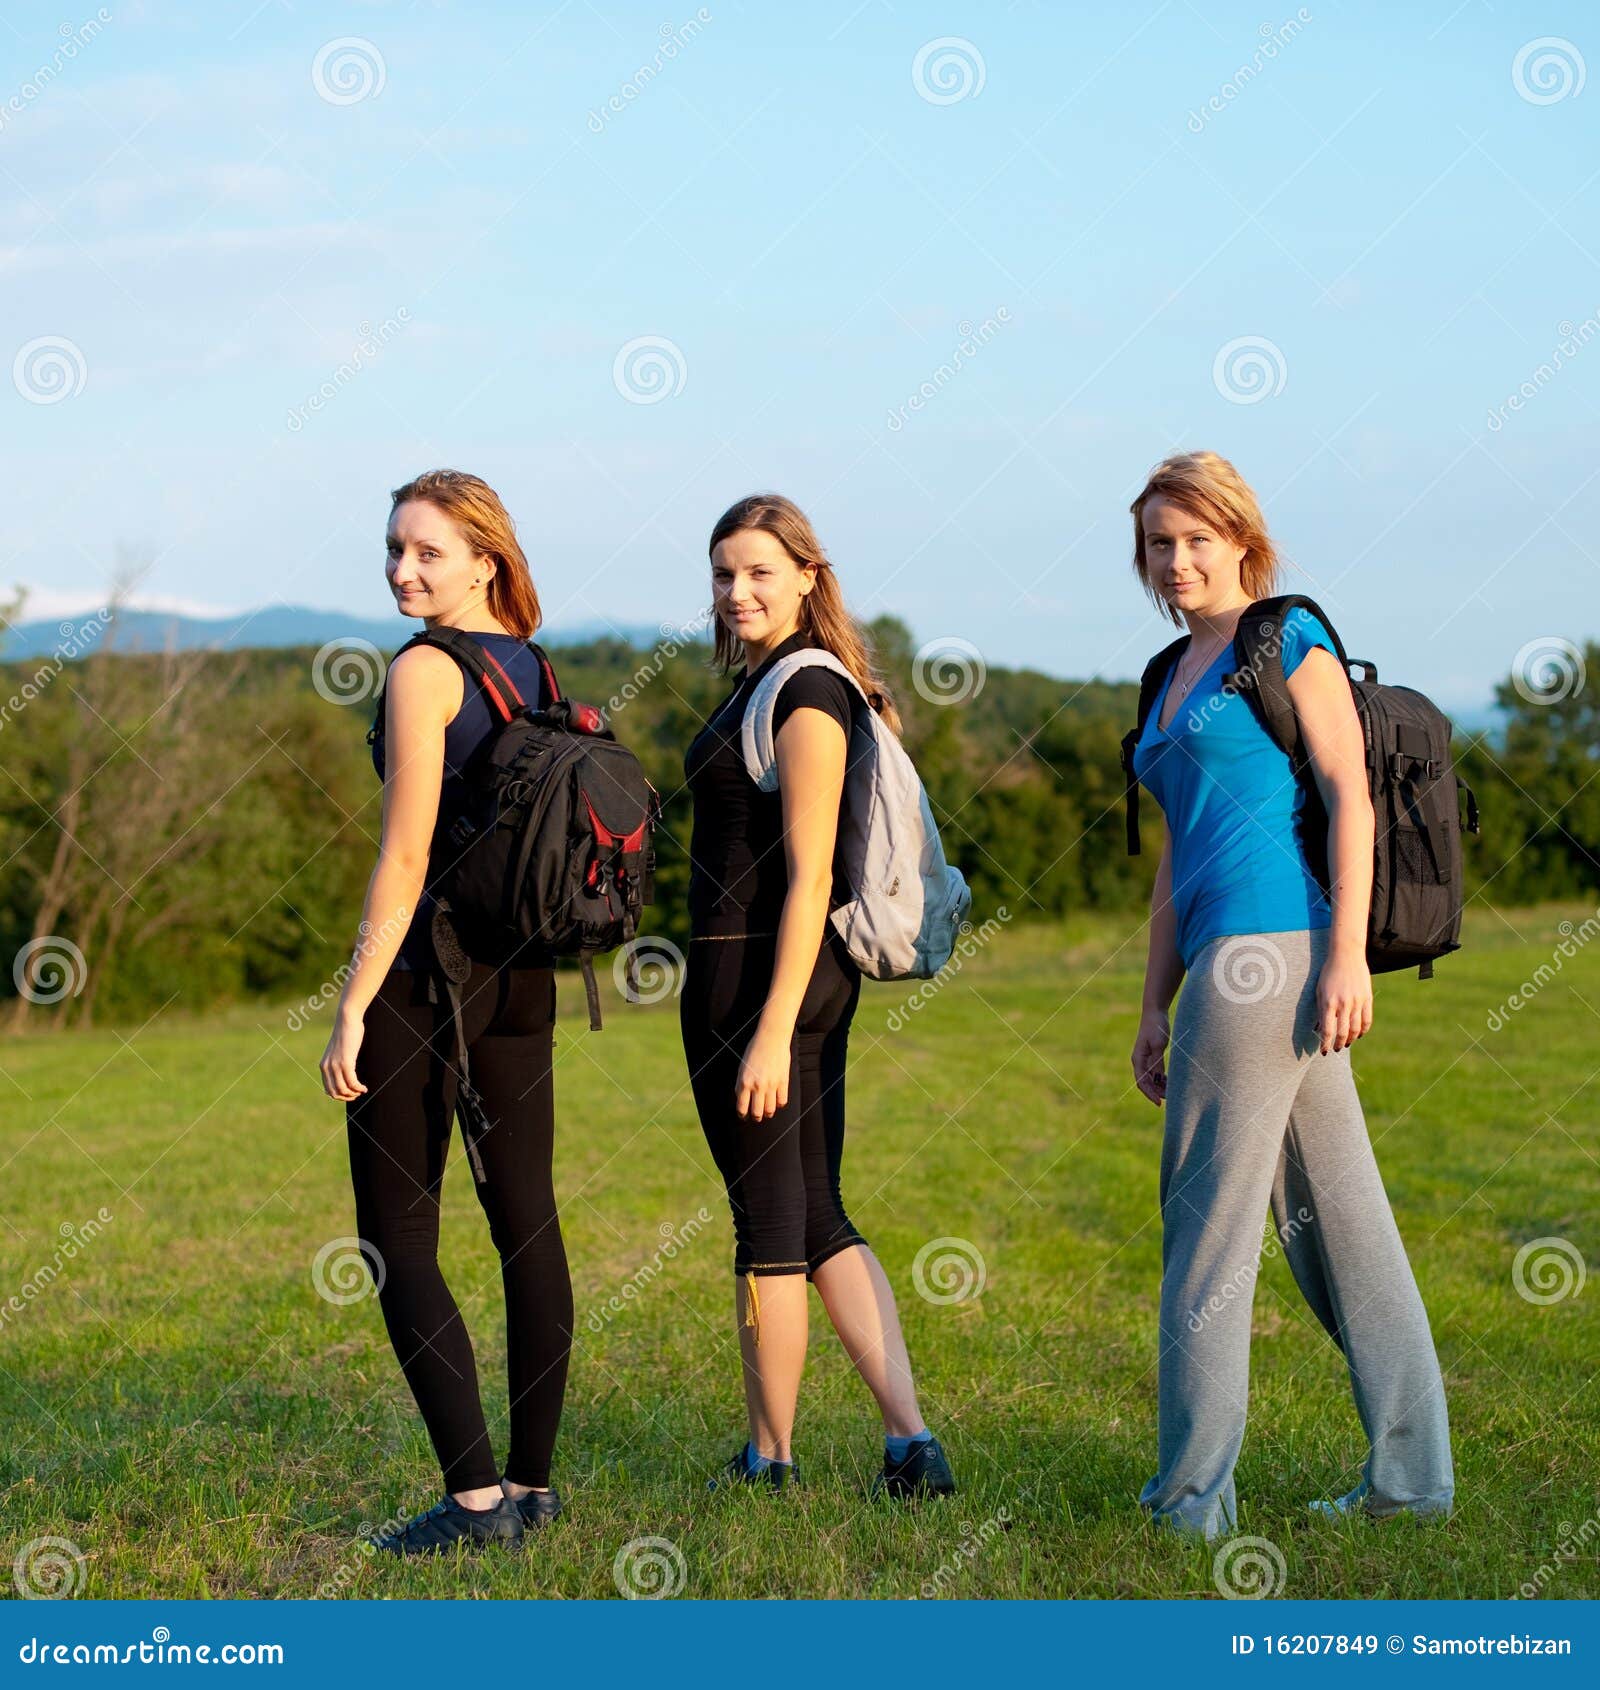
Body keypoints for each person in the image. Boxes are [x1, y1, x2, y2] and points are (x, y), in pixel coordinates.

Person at [1126, 450, 1454, 1540]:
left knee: (1204, 1236)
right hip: (1218, 960)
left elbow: (1348, 795)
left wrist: (1346, 956)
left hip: (1277, 953)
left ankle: (1190, 1503)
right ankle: (1411, 1487)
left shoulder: (1284, 639)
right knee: (1342, 1233)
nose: (1176, 560)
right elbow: (1175, 860)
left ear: (1241, 541)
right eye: (1158, 543)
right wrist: (1147, 1003)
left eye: (1194, 539)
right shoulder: (1167, 676)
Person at [679, 492, 954, 1498]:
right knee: (814, 1215)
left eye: (758, 570)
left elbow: (807, 877)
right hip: (767, 984)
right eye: (722, 573)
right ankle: (910, 1447)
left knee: (766, 1225)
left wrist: (769, 1030)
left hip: (763, 983)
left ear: (806, 573)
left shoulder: (803, 694)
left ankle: (769, 1457)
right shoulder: (775, 683)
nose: (737, 589)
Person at [319, 469, 571, 1554]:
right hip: (521, 978)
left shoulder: (423, 669)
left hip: (427, 977)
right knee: (527, 1223)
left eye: (427, 551)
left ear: (485, 557)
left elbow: (407, 850)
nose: (403, 569)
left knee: (396, 1236)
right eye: (392, 548)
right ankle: (533, 1485)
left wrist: (351, 1004)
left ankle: (475, 1505)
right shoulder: (534, 664)